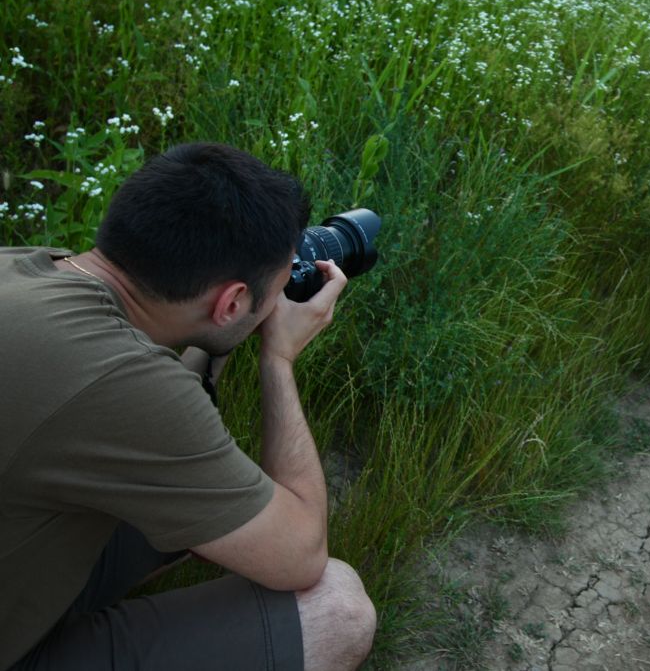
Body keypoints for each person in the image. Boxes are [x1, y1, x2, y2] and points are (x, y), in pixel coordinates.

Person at [0, 143, 376, 670]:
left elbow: (132, 394)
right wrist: (278, 358)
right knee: (337, 608)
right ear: (231, 303)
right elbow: (302, 554)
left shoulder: (26, 268)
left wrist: (223, 331)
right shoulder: (123, 388)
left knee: (208, 499)